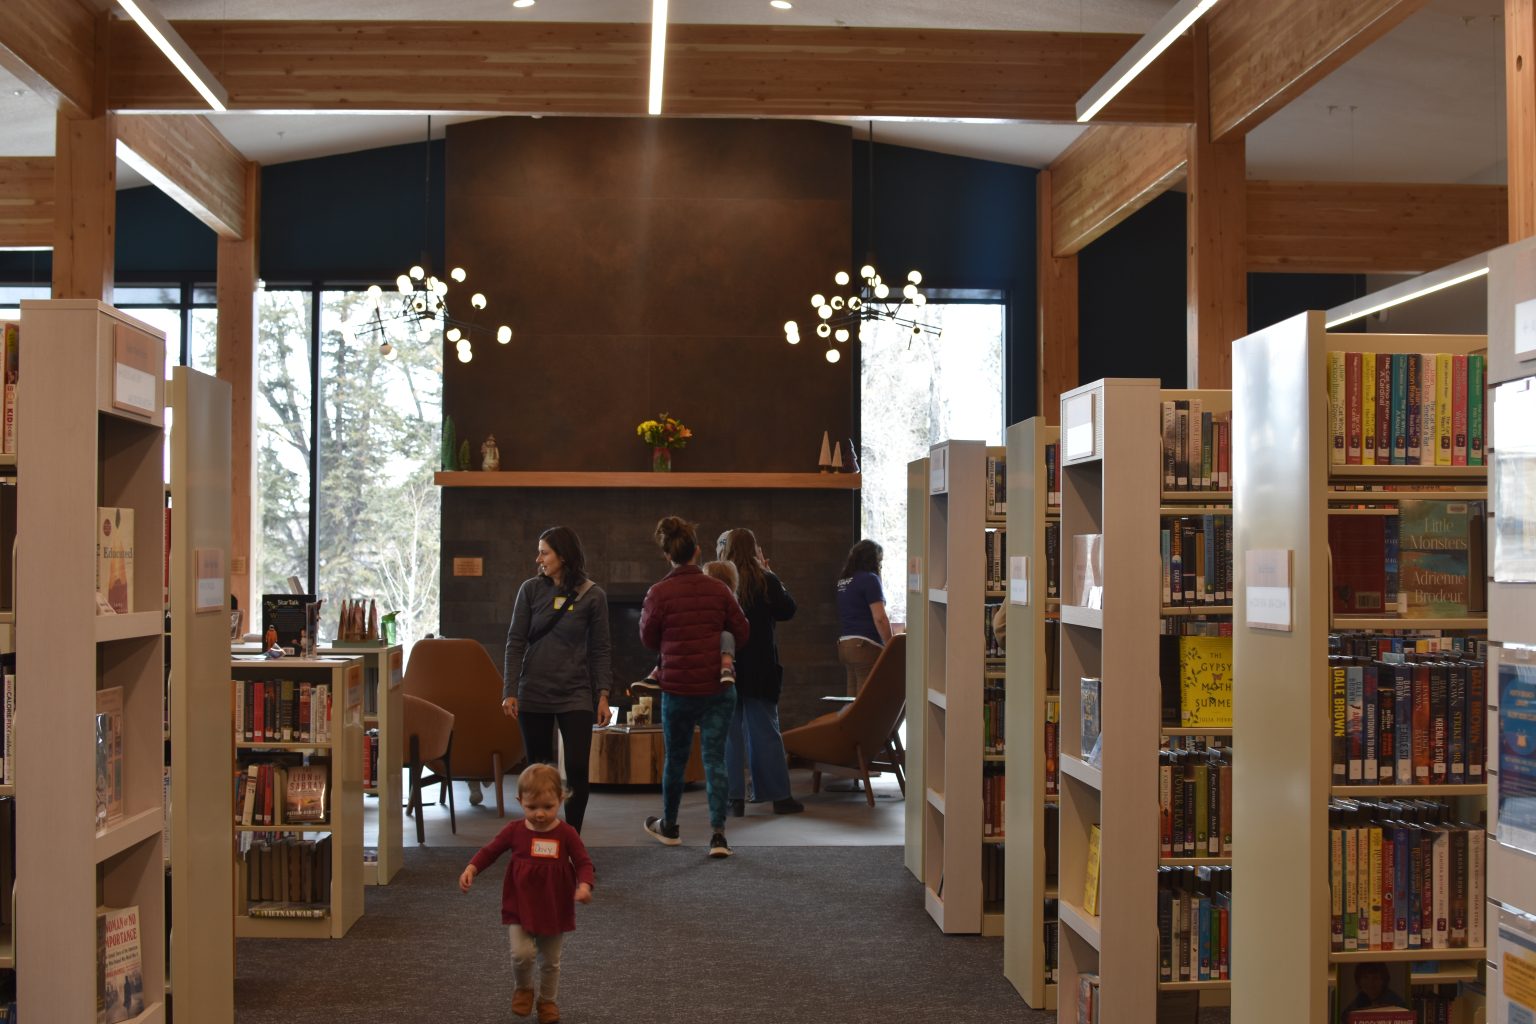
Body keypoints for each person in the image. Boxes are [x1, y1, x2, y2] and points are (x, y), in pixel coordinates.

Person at [639, 515, 749, 857]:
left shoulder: (658, 592)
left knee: (676, 760)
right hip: (718, 689)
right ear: (698, 551)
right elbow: (741, 632)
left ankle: (670, 826)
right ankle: (718, 836)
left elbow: (647, 638)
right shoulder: (719, 589)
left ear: (666, 555)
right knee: (714, 759)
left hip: (678, 689)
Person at [460, 763, 594, 1024]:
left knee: (551, 962)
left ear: (561, 799)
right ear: (520, 801)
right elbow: (490, 851)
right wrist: (472, 868)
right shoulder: (515, 830)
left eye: (548, 807)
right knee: (521, 955)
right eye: (532, 808)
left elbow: (583, 862)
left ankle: (547, 1002)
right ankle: (523, 987)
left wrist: (585, 884)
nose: (540, 814)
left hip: (555, 908)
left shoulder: (566, 833)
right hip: (520, 906)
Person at [501, 525, 613, 833]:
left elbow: (601, 648)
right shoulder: (530, 590)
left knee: (576, 769)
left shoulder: (593, 596)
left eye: (544, 552)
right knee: (538, 770)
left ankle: (572, 837)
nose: (538, 558)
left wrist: (603, 694)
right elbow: (515, 642)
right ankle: (540, 836)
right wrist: (509, 691)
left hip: (575, 693)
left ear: (563, 556)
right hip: (533, 691)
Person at [721, 527, 803, 817]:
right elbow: (789, 610)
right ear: (754, 548)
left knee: (729, 734)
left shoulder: (723, 581)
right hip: (761, 667)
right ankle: (778, 796)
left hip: (727, 666)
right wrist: (771, 571)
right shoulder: (766, 580)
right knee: (766, 732)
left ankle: (734, 799)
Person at [835, 539, 892, 697]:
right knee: (866, 703)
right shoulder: (870, 579)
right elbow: (880, 618)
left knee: (851, 703)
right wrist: (890, 644)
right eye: (879, 560)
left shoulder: (844, 580)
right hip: (865, 646)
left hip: (846, 645)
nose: (880, 565)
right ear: (871, 559)